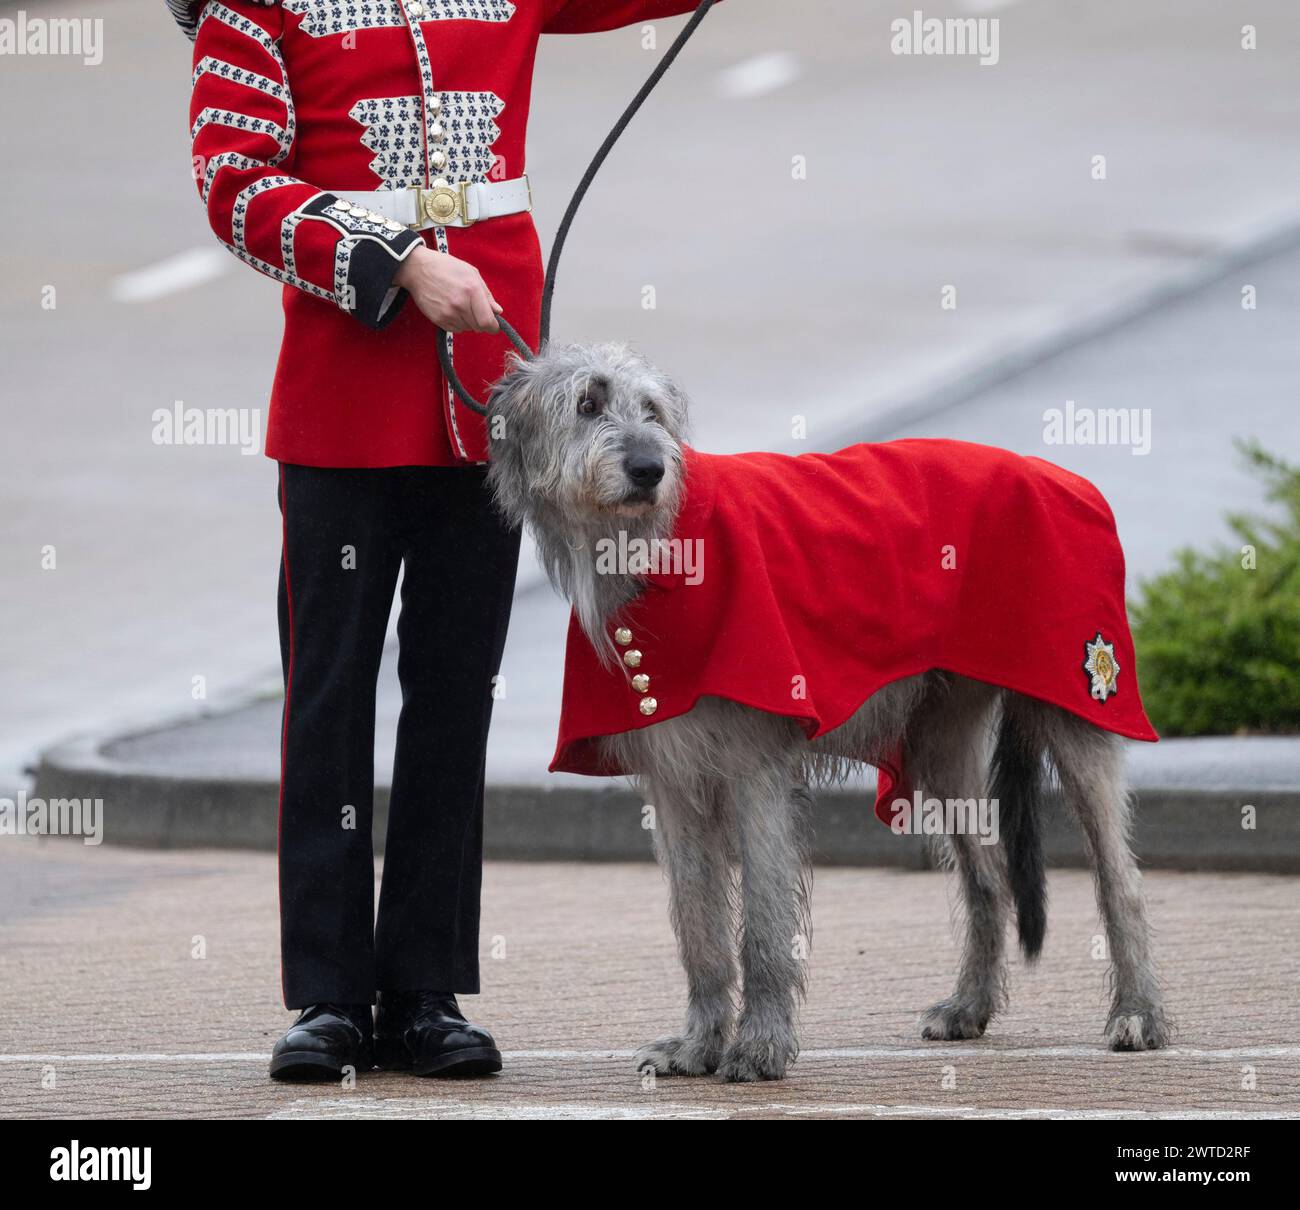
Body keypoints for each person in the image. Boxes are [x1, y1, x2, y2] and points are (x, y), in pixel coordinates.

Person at [174, 0, 716, 1081]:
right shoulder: (256, 9)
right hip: (343, 404)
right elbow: (236, 187)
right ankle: (328, 994)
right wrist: (400, 263)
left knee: (454, 695)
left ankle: (424, 988)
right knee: (327, 699)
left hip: (493, 411)